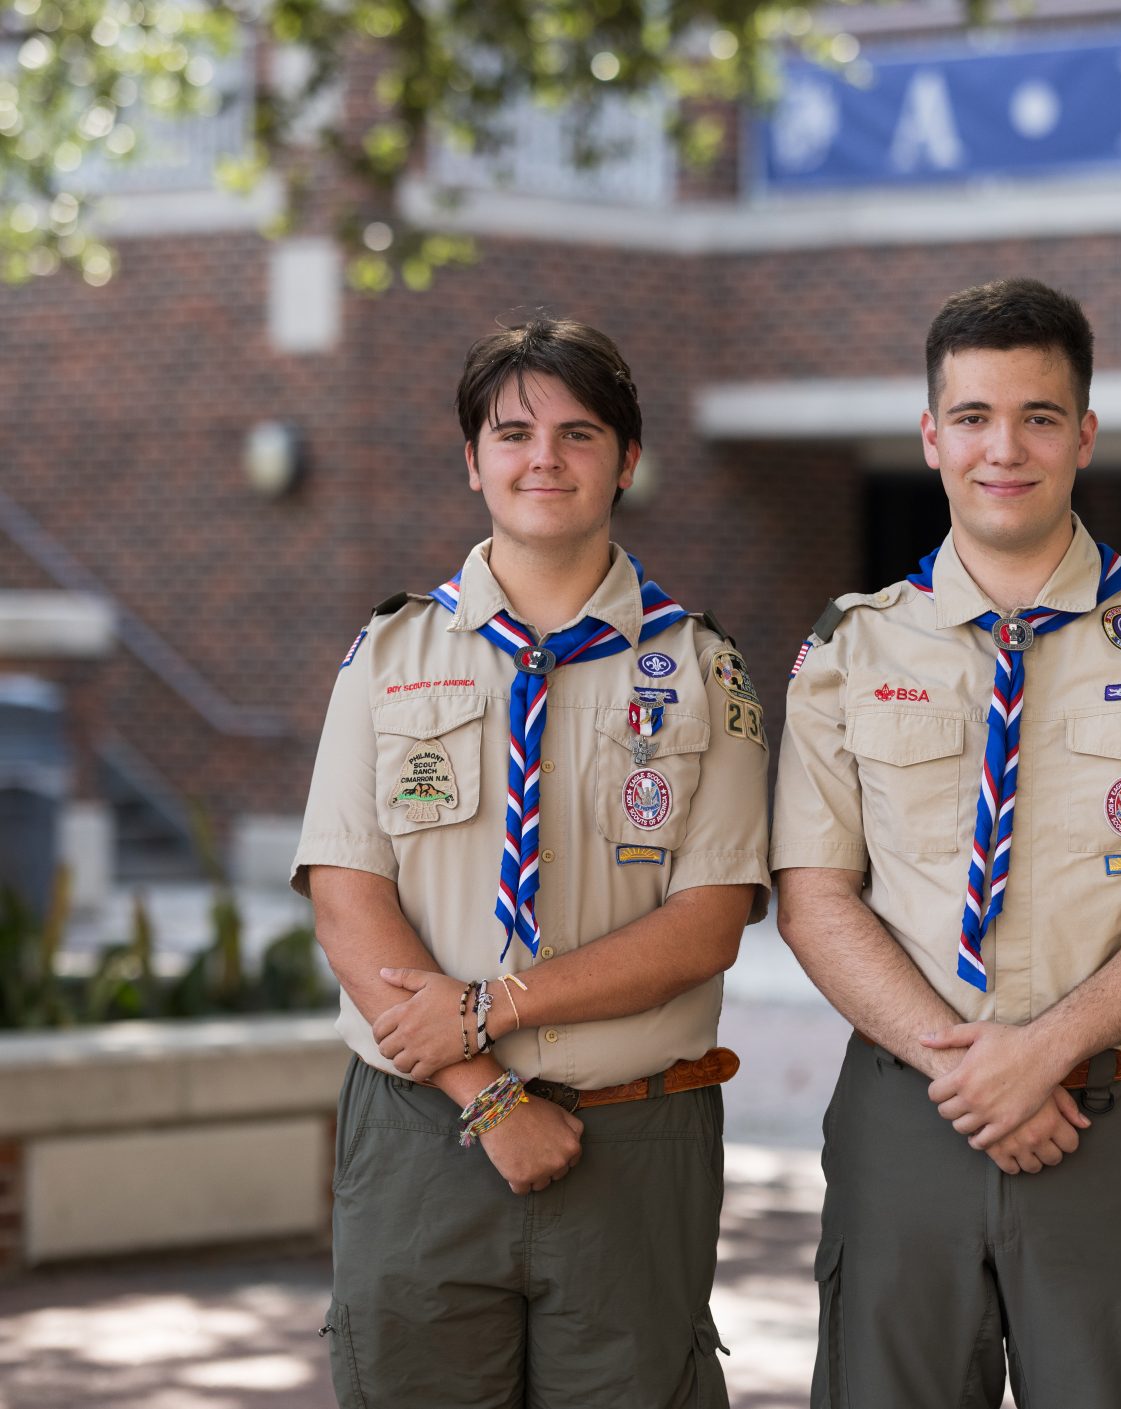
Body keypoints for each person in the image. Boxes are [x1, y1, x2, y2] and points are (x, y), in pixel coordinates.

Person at [772, 277, 1121, 1407]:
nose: (1006, 447)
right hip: (908, 1116)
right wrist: (972, 1067)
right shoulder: (850, 647)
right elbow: (813, 892)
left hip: (1110, 1112)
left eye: (1039, 416)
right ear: (931, 435)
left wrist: (1043, 1051)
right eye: (974, 416)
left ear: (1083, 434)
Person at [291, 316, 768, 1408]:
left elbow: (705, 920)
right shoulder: (388, 654)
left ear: (626, 460)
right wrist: (488, 1093)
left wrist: (487, 1004)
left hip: (635, 1133)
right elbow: (346, 897)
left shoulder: (704, 667)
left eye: (578, 431)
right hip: (423, 1133)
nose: (542, 457)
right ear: (472, 460)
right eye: (512, 432)